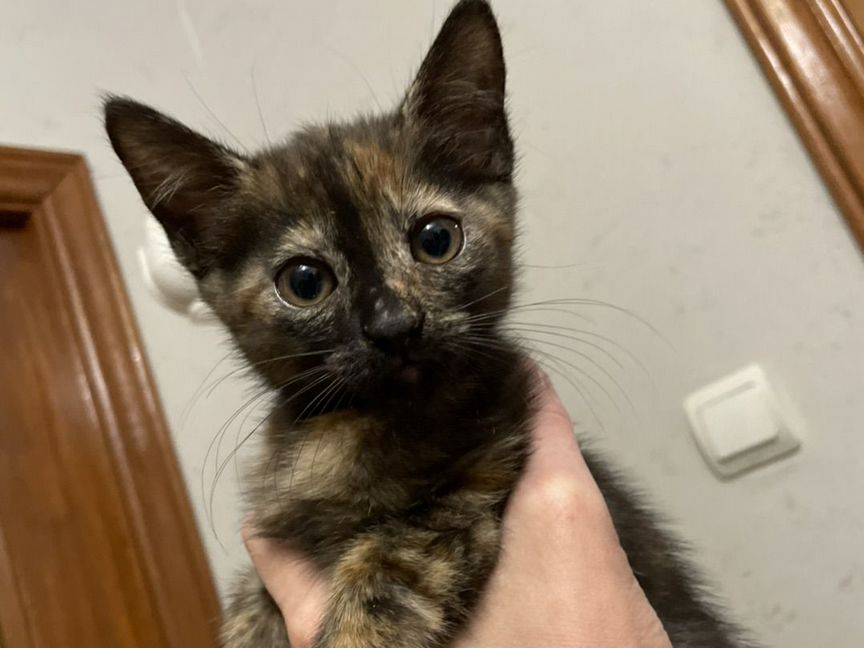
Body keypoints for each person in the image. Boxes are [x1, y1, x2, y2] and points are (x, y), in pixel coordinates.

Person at [244, 371, 672, 647]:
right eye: (306, 283)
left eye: (434, 254)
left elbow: (460, 519)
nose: (391, 318)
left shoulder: (484, 415)